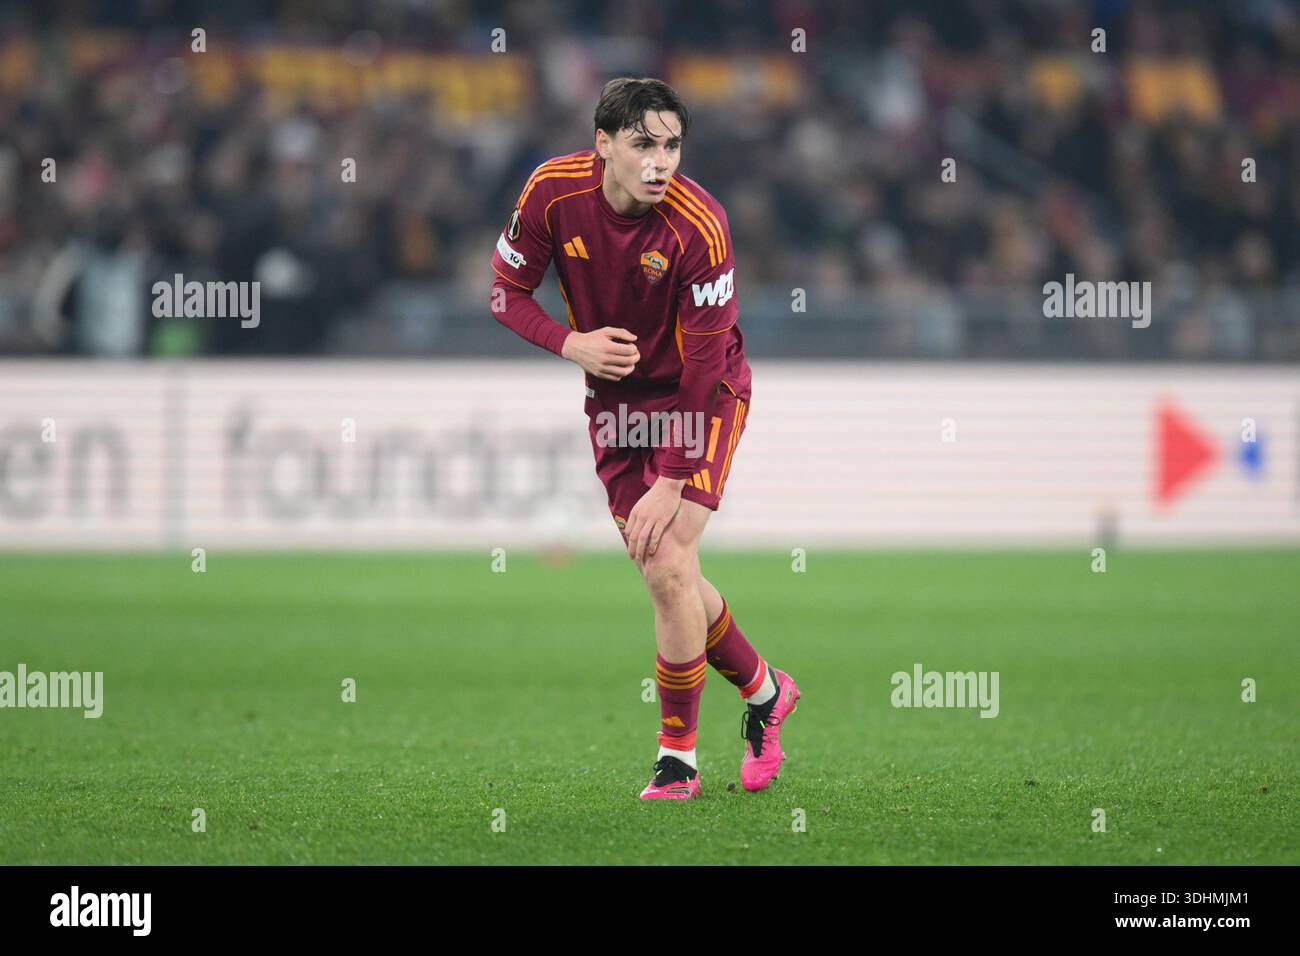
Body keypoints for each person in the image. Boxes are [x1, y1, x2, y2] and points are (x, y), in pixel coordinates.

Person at [489, 77, 799, 800]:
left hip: (705, 393)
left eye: (672, 145)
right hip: (616, 403)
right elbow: (504, 292)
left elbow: (701, 364)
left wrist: (670, 481)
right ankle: (765, 692)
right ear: (604, 145)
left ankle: (677, 762)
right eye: (643, 145)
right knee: (672, 573)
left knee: (665, 561)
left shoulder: (702, 225)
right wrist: (571, 344)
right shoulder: (550, 193)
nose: (661, 162)